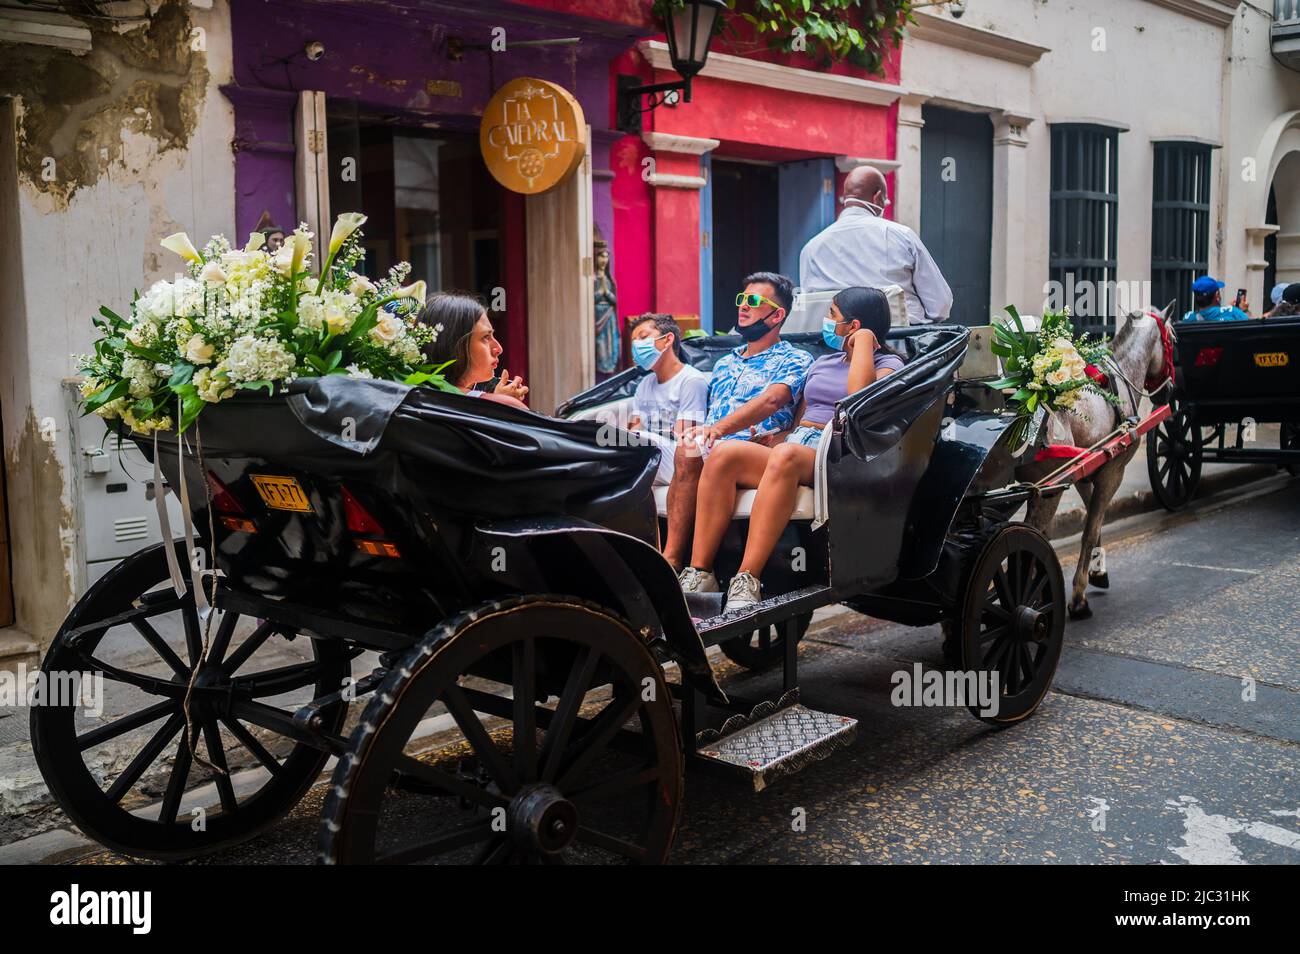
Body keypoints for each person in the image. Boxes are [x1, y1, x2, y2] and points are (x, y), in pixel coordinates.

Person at [684, 287, 904, 613]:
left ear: (854, 326)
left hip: (838, 453)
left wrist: (864, 344)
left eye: (832, 314)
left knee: (785, 456)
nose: (825, 322)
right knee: (726, 452)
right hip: (796, 445)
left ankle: (748, 577)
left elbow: (859, 402)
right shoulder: (823, 362)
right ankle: (701, 571)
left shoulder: (889, 363)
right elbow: (802, 417)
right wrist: (776, 437)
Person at [666, 272, 812, 579]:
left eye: (754, 301)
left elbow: (772, 401)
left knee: (700, 449)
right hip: (710, 449)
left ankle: (687, 565)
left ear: (777, 315)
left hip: (756, 452)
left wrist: (718, 429)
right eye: (742, 299)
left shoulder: (795, 358)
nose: (743, 306)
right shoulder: (724, 364)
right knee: (672, 451)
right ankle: (668, 561)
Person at [799, 165, 952, 325]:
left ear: (845, 198)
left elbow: (809, 309)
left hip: (836, 345)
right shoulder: (902, 236)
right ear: (877, 197)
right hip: (900, 343)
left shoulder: (811, 248)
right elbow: (940, 306)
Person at [625, 313, 708, 486]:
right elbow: (634, 428)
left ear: (668, 339)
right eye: (634, 342)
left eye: (643, 338)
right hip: (647, 453)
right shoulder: (645, 385)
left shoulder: (691, 380)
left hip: (679, 460)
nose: (637, 346)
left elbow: (683, 438)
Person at [416, 292, 530, 409]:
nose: (499, 349)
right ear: (456, 345)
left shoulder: (415, 402)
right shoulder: (505, 405)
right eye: (485, 337)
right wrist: (500, 403)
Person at [1183, 276, 1250, 322]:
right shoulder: (1233, 313)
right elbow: (1254, 326)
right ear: (1217, 295)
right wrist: (1244, 310)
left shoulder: (1188, 318)